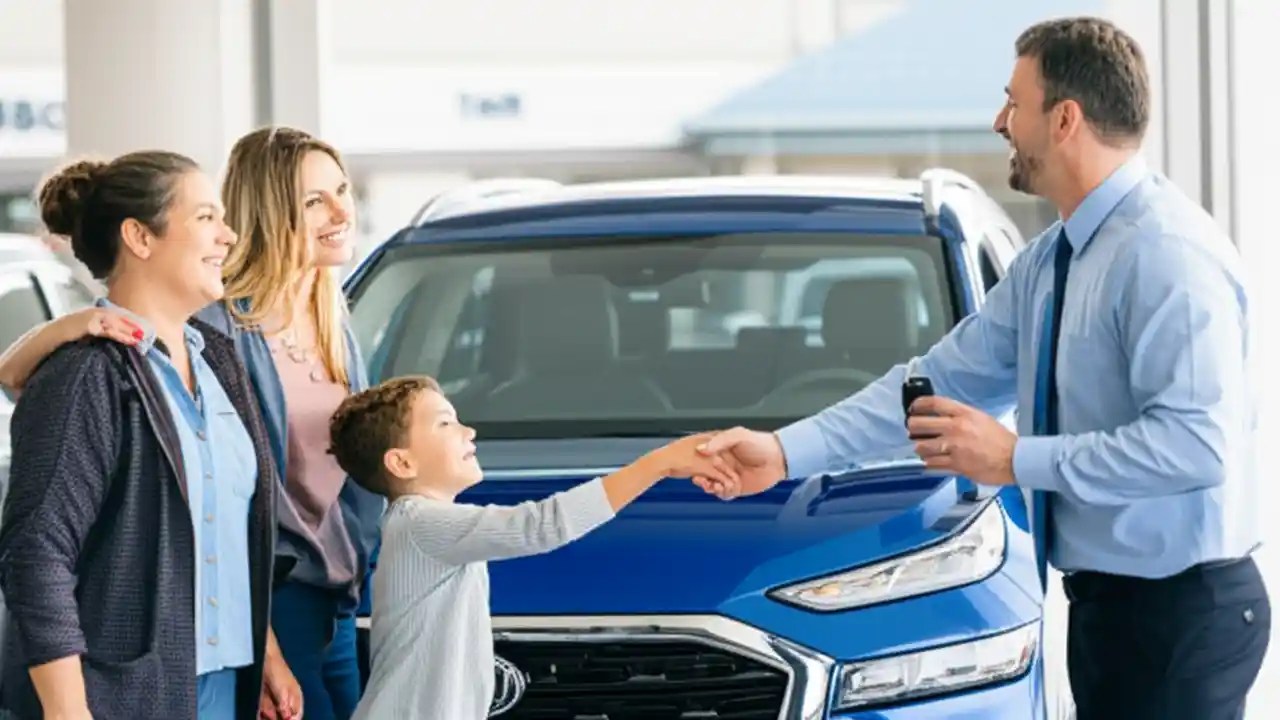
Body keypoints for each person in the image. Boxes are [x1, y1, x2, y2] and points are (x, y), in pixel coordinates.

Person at [692, 16, 1268, 720]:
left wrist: (1016, 458)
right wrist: (783, 452)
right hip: (1110, 612)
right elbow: (931, 387)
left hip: (1182, 615)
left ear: (1064, 119)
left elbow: (1196, 445)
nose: (1000, 122)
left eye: (1013, 102)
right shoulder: (1052, 262)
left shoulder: (1166, 255)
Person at [0, 126, 376, 720]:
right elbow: (36, 556)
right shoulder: (87, 375)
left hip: (228, 680)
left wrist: (267, 653)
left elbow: (229, 533)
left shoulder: (217, 360)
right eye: (206, 218)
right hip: (128, 693)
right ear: (139, 238)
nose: (228, 236)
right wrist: (68, 714)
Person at [324, 375, 736, 720]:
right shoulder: (421, 523)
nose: (469, 431)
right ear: (402, 464)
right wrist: (657, 465)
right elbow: (543, 525)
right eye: (445, 424)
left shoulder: (426, 525)